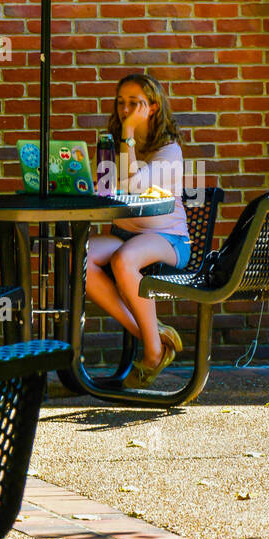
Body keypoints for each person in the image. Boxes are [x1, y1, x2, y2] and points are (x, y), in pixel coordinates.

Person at [85, 73, 191, 387]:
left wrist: (128, 131)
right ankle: (152, 333)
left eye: (135, 103)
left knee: (124, 261)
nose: (125, 109)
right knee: (78, 257)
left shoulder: (169, 151)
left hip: (168, 239)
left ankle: (153, 352)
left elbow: (131, 184)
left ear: (154, 108)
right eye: (121, 102)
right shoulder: (114, 142)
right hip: (123, 234)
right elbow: (106, 186)